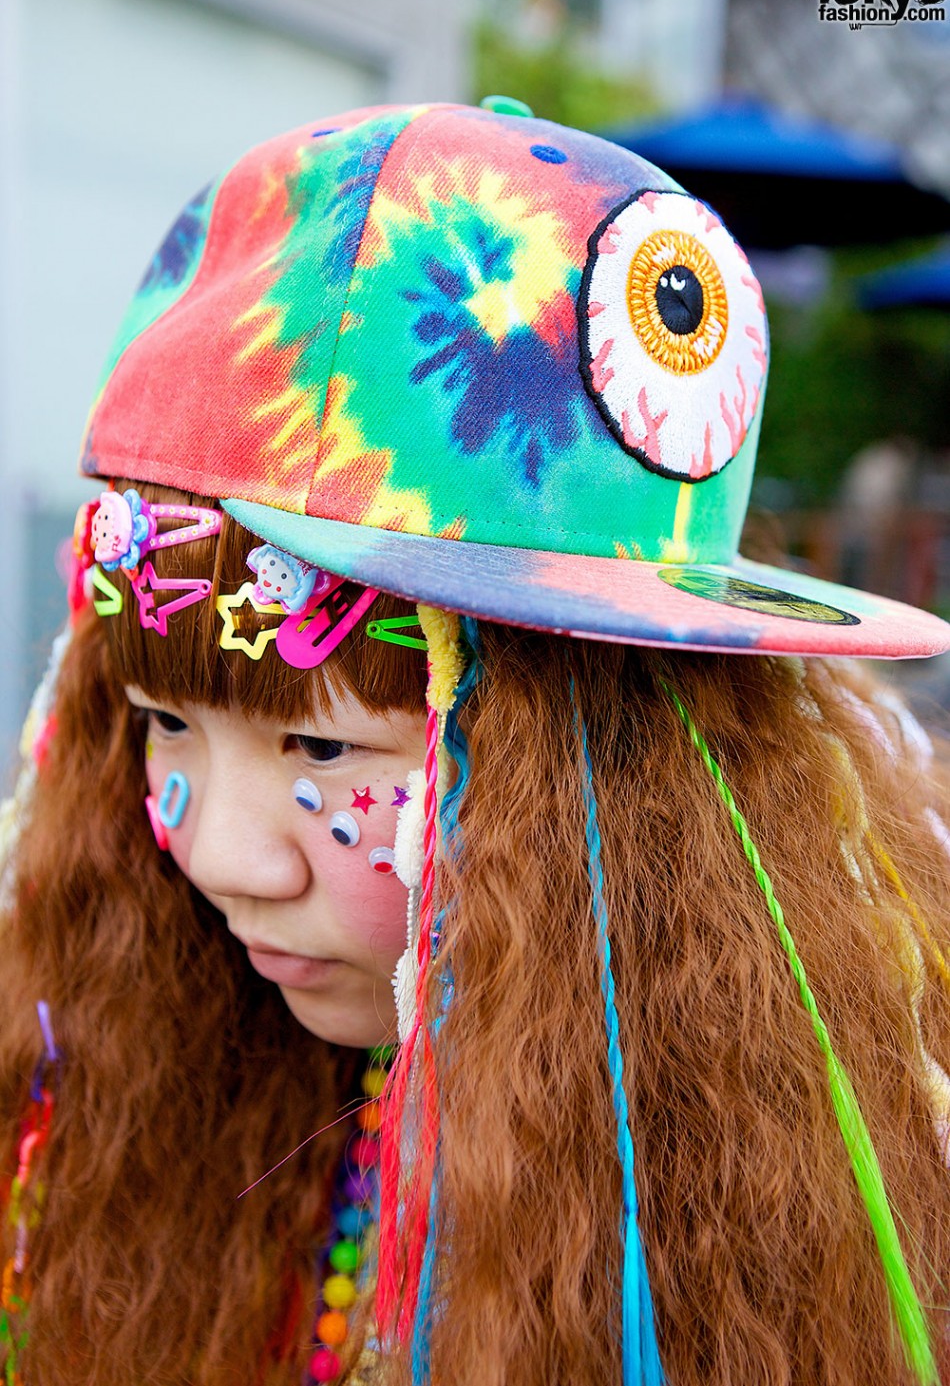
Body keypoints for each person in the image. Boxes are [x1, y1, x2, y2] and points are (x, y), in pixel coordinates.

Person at [2, 99, 950, 1386]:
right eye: (166, 722)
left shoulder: (772, 1233)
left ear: (605, 783)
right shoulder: (149, 1096)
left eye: (324, 753)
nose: (223, 856)